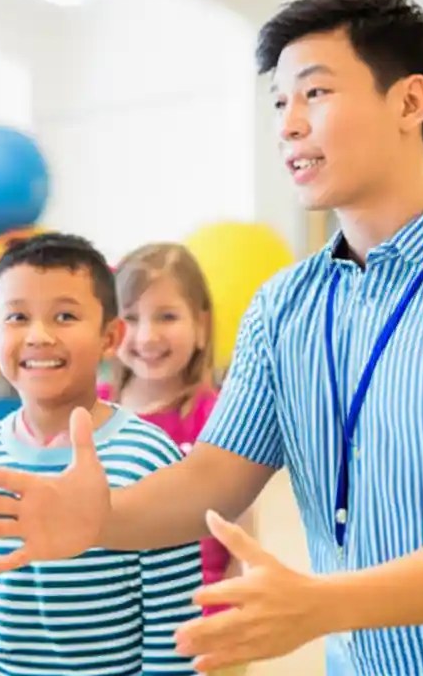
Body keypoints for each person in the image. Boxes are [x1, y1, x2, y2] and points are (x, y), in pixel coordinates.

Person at [0, 0, 423, 676]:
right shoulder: (285, 305)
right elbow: (216, 475)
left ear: (409, 102)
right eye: (280, 102)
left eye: (315, 94)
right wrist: (100, 516)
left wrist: (322, 605)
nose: (289, 125)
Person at [0, 233, 202, 675]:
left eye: (64, 316)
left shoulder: (151, 457)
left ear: (110, 337)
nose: (39, 336)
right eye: (17, 316)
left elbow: (171, 633)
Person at [100, 243, 254, 616]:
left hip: (200, 616)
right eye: (131, 318)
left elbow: (242, 537)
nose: (148, 336)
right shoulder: (89, 410)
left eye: (167, 316)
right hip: (113, 617)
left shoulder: (219, 417)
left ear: (201, 327)